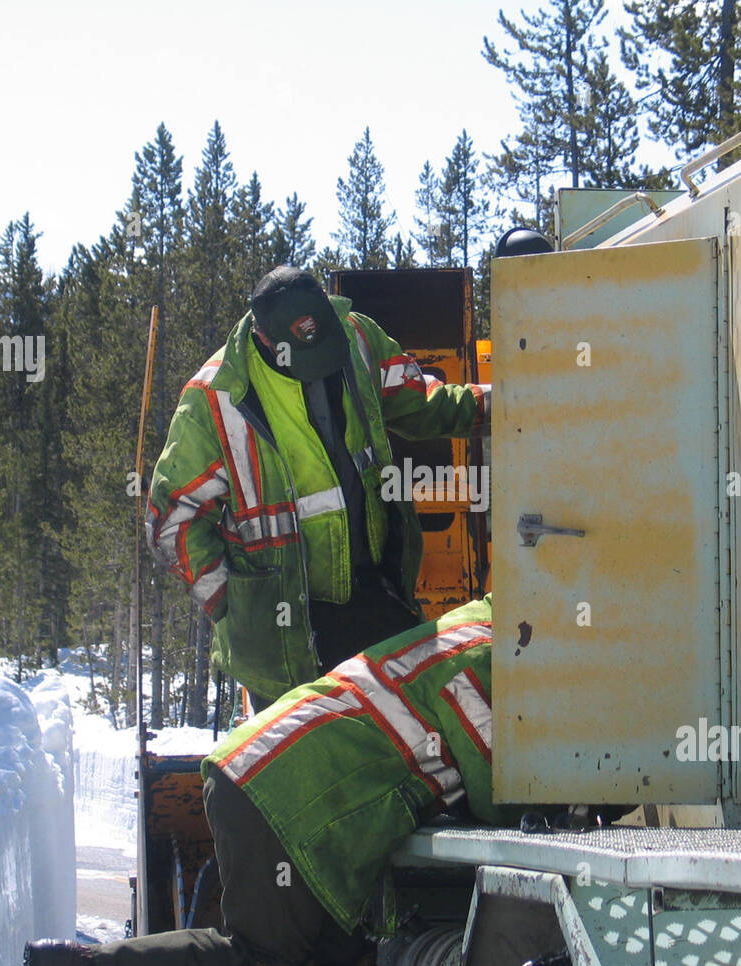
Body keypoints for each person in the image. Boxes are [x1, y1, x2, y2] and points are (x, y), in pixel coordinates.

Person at [27, 595, 503, 966]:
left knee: (341, 952)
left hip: (261, 778)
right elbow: (495, 785)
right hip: (277, 797)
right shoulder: (482, 657)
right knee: (263, 957)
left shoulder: (472, 627)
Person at [145, 265, 490, 713]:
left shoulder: (357, 337)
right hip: (281, 637)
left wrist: (501, 404)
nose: (320, 369)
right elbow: (173, 518)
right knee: (304, 765)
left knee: (398, 740)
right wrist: (238, 607)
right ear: (265, 340)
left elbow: (418, 403)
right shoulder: (214, 397)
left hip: (371, 594)